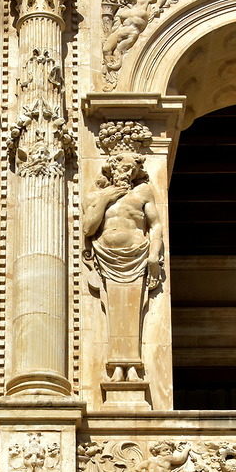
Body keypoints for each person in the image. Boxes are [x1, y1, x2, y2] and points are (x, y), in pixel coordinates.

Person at [83, 150, 163, 381]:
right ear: (112, 168)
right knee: (114, 308)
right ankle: (117, 366)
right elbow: (88, 228)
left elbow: (155, 224)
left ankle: (133, 366)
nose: (126, 173)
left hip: (137, 257)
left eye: (131, 169)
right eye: (123, 168)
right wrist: (106, 198)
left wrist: (154, 255)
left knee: (133, 309)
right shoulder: (95, 196)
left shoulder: (143, 192)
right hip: (107, 257)